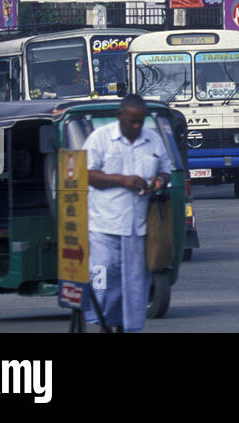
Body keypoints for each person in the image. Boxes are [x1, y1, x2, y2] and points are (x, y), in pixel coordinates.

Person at [82, 95, 171, 332]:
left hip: (138, 227)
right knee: (104, 281)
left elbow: (166, 171)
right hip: (104, 226)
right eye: (132, 121)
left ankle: (125, 327)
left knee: (132, 285)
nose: (136, 126)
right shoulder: (100, 139)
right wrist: (122, 180)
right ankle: (103, 325)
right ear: (120, 116)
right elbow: (86, 174)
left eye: (140, 121)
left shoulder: (153, 140)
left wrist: (158, 181)